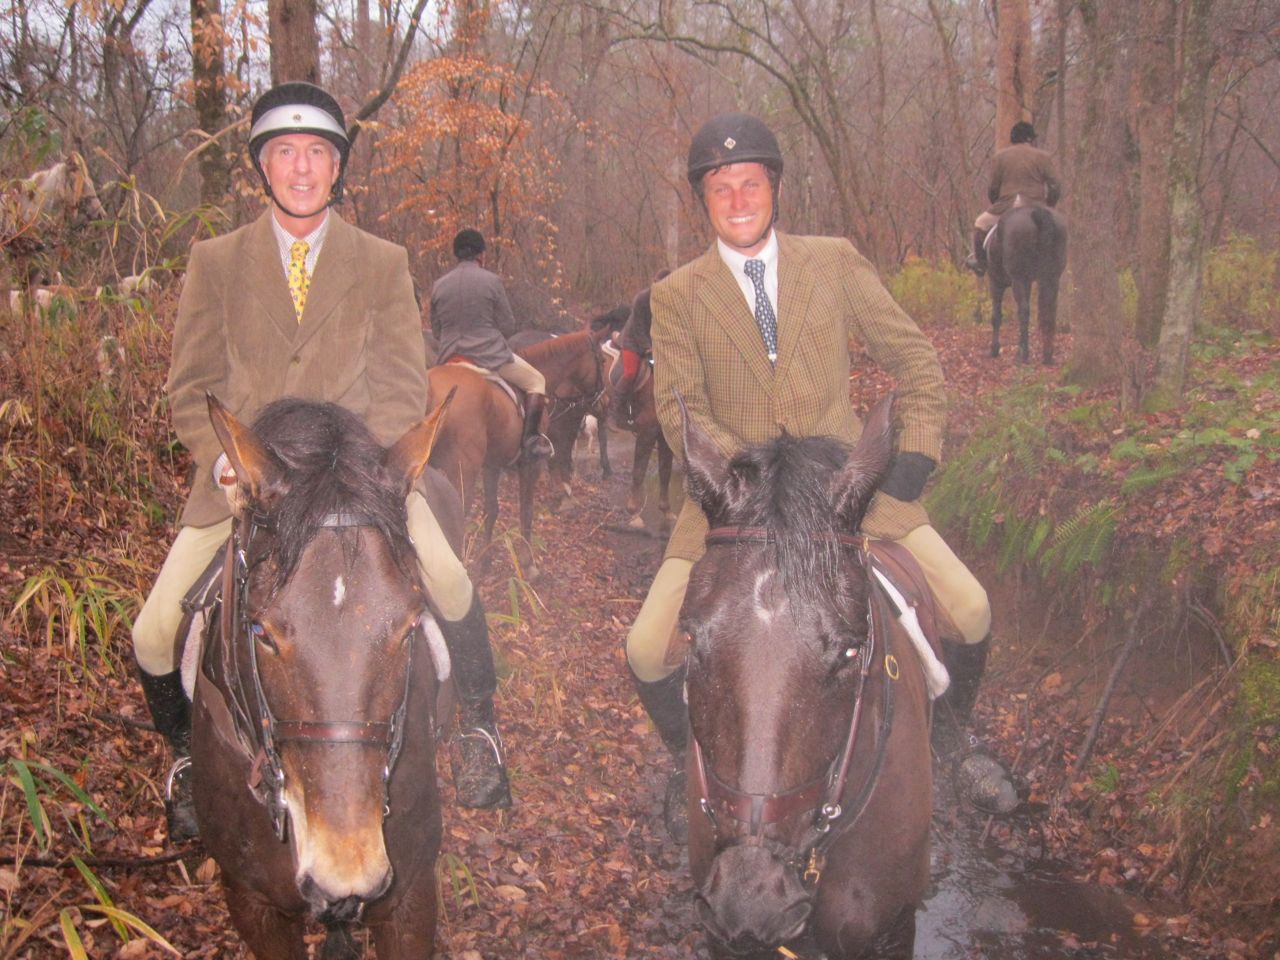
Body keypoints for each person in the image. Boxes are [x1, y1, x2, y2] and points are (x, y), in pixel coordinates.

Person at [132, 81, 512, 842]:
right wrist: (224, 465)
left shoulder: (381, 262)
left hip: (356, 479)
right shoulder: (215, 262)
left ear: (337, 169)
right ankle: (183, 756)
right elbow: (191, 385)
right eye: (285, 152)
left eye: (316, 153)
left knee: (447, 577)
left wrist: (366, 469)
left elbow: (401, 386)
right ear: (263, 167)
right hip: (254, 483)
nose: (301, 167)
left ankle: (478, 727)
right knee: (152, 629)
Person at [626, 112, 1009, 835]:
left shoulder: (834, 262)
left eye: (750, 183)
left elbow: (914, 357)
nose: (738, 200)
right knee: (647, 649)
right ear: (703, 200)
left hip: (844, 489)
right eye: (720, 189)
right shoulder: (676, 295)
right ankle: (688, 762)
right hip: (734, 500)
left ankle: (953, 742)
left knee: (971, 606)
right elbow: (684, 413)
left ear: (775, 187)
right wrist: (745, 483)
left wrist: (916, 452)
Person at [430, 229, 552, 458]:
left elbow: (437, 331)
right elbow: (507, 325)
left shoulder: (439, 285)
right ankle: (531, 442)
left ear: (457, 254)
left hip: (449, 357)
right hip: (489, 356)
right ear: (481, 255)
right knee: (537, 381)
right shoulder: (492, 281)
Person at [966, 120, 1061, 275]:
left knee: (980, 223)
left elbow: (993, 188)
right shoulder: (1043, 157)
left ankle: (980, 263)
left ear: (1013, 138)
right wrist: (1049, 205)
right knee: (1057, 229)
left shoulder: (1000, 157)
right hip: (1035, 206)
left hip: (1006, 205)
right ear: (1030, 139)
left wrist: (997, 203)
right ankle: (1056, 264)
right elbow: (1055, 185)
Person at [610, 269, 671, 426]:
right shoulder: (642, 299)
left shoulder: (670, 301)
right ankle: (616, 408)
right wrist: (648, 348)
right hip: (633, 341)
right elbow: (638, 327)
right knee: (630, 373)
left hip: (654, 342)